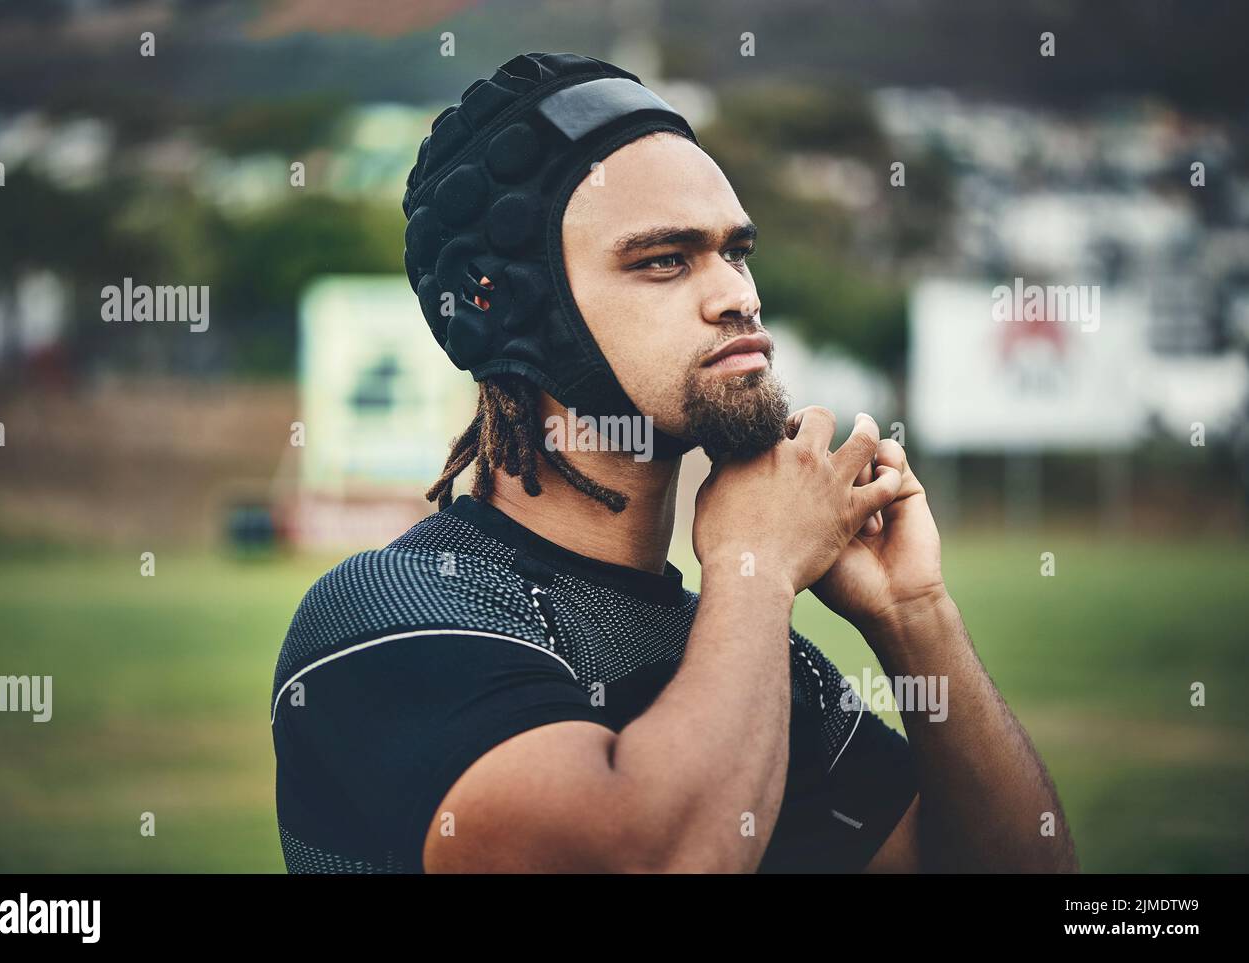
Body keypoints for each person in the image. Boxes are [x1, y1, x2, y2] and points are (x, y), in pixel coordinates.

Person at [270, 52, 1077, 874]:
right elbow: (658, 858)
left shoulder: (749, 652)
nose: (738, 295)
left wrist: (914, 615)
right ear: (501, 300)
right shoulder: (391, 612)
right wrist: (756, 567)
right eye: (664, 259)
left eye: (737, 251)